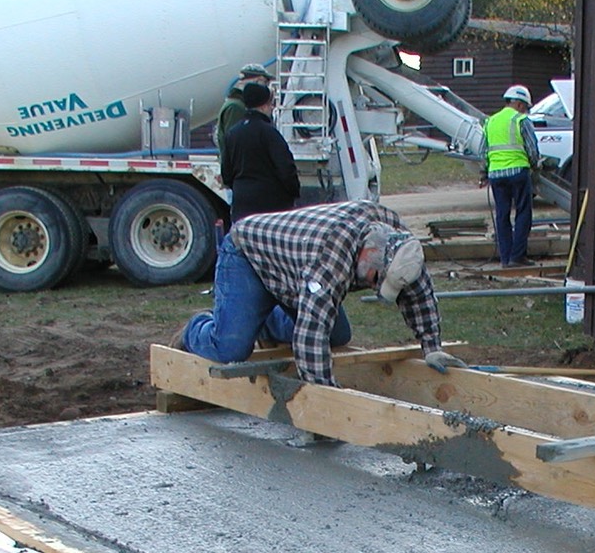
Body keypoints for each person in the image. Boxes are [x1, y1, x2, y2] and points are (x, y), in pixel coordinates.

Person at [175, 200, 463, 387]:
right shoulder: (331, 259)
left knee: (338, 337)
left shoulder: (401, 245)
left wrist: (432, 346)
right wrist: (324, 392)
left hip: (292, 272)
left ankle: (257, 319)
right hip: (248, 255)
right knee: (231, 349)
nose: (376, 288)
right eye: (376, 280)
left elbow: (419, 293)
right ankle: (196, 329)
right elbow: (311, 333)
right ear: (369, 253)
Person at [221, 82, 299, 223]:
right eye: (270, 104)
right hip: (271, 204)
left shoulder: (232, 133)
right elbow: (286, 168)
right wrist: (294, 192)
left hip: (242, 202)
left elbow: (226, 172)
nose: (271, 108)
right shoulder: (269, 133)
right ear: (263, 106)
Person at [485, 84, 540, 267]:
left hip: (496, 174)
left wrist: (486, 171)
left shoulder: (490, 121)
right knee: (523, 212)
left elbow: (484, 150)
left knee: (502, 215)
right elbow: (532, 149)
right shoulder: (520, 120)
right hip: (518, 171)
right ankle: (517, 256)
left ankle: (505, 258)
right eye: (525, 107)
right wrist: (535, 165)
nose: (525, 111)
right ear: (519, 104)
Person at [214, 63, 271, 154]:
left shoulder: (237, 104)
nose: (266, 86)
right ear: (257, 81)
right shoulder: (236, 107)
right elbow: (234, 143)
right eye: (265, 82)